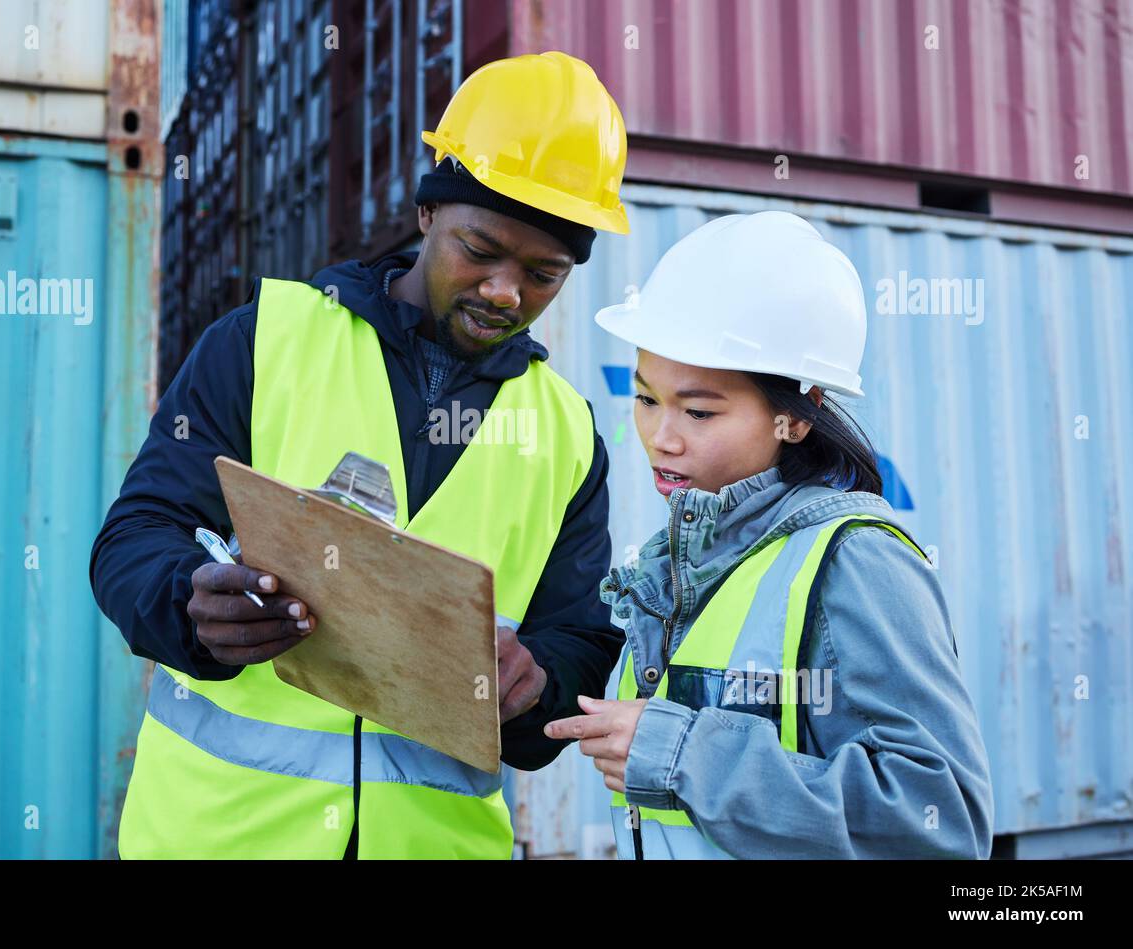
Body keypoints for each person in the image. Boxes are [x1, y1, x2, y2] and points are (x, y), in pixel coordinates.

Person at [90, 51, 631, 858]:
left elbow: (578, 641)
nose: (505, 292)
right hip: (219, 838)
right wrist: (191, 605)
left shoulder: (567, 434)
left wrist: (534, 684)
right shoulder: (264, 341)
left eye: (543, 273)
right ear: (426, 214)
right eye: (480, 250)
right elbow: (134, 538)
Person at [544, 210, 994, 858]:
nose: (661, 437)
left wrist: (682, 755)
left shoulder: (858, 560)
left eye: (698, 410)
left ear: (795, 415)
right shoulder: (687, 561)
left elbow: (940, 817)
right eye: (645, 399)